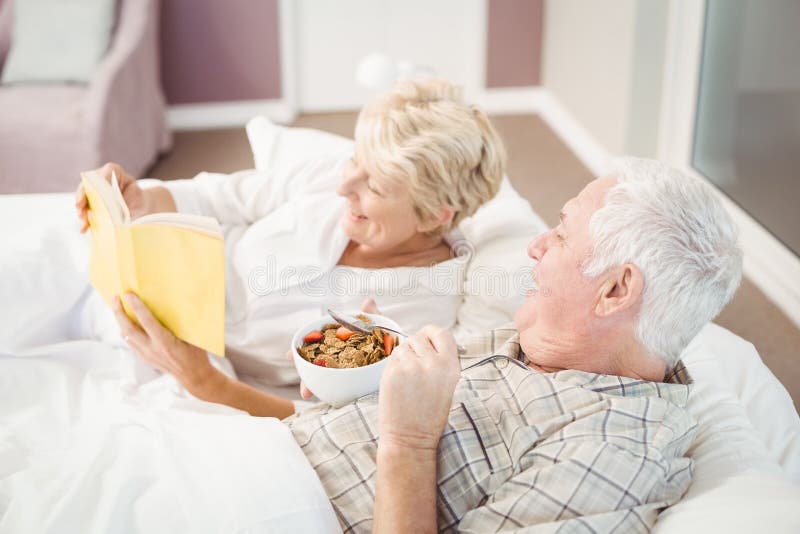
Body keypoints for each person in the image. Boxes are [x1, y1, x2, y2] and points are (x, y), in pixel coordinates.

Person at [115, 157, 742, 531]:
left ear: (614, 291)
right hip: (241, 456)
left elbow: (401, 443)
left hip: (254, 506)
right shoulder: (539, 344)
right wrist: (353, 388)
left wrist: (408, 441)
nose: (534, 245)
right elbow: (356, 435)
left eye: (561, 232)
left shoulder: (613, 452)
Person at [75, 79, 506, 416]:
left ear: (434, 216)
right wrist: (140, 198)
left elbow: (336, 425)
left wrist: (202, 380)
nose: (343, 186)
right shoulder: (327, 177)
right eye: (355, 161)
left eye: (373, 184)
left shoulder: (420, 315)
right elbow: (217, 197)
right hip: (146, 271)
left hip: (195, 367)